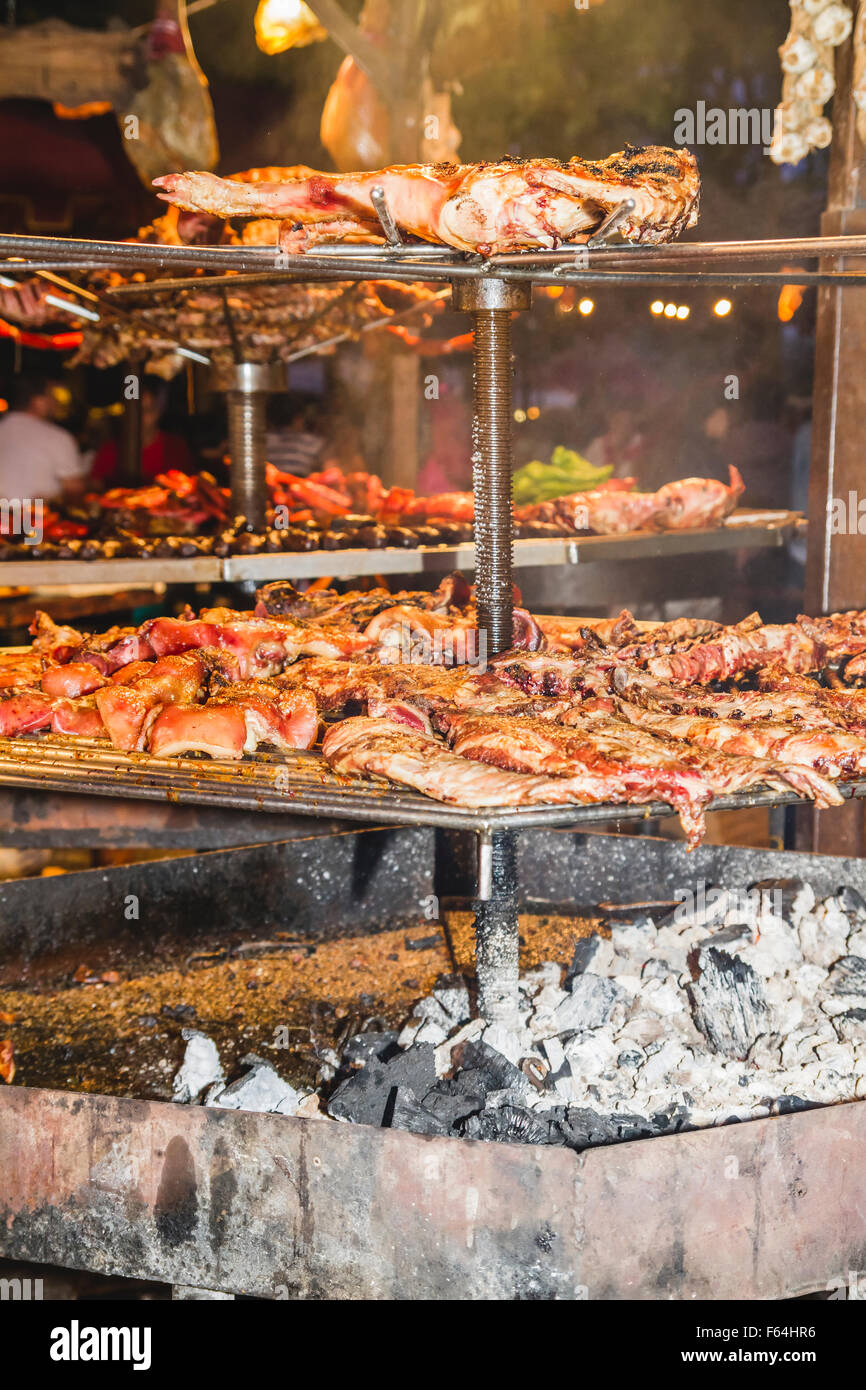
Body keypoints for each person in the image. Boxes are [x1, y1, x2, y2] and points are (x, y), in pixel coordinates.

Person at [0, 373, 88, 504]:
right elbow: (74, 490)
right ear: (37, 401)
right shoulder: (57, 437)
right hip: (39, 520)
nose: (55, 401)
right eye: (51, 395)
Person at [90, 380, 192, 485]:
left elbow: (186, 487)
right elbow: (95, 487)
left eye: (147, 410)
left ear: (157, 412)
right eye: (133, 411)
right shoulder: (109, 449)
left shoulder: (175, 447)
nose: (138, 417)